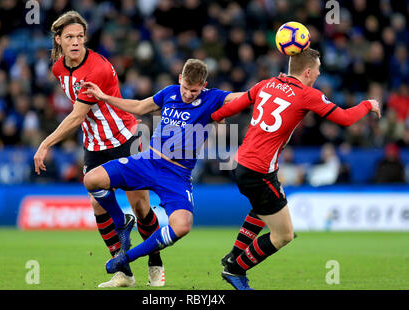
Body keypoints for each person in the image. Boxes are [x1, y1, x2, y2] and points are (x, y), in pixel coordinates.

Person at [211, 48, 381, 290]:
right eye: (319, 70)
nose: (319, 74)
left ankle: (234, 255)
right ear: (309, 71)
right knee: (283, 235)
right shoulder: (306, 94)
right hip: (260, 172)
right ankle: (235, 269)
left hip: (242, 165)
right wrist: (368, 104)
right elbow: (344, 118)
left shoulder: (267, 83)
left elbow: (233, 107)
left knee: (263, 209)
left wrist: (213, 116)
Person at [33, 11, 165, 288]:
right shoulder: (58, 69)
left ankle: (155, 262)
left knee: (141, 206)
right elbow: (81, 114)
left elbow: (77, 115)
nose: (76, 42)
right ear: (58, 39)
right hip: (95, 145)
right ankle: (124, 272)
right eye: (69, 37)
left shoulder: (98, 68)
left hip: (126, 139)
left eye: (80, 36)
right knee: (97, 204)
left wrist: (44, 143)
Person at [81, 59, 243, 278]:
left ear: (203, 85)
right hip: (149, 161)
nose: (188, 94)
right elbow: (139, 106)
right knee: (91, 180)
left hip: (177, 174)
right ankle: (122, 223)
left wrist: (270, 87)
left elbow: (245, 97)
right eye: (185, 88)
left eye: (194, 90)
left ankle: (126, 258)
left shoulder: (212, 98)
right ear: (180, 80)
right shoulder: (169, 92)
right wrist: (105, 97)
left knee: (183, 225)